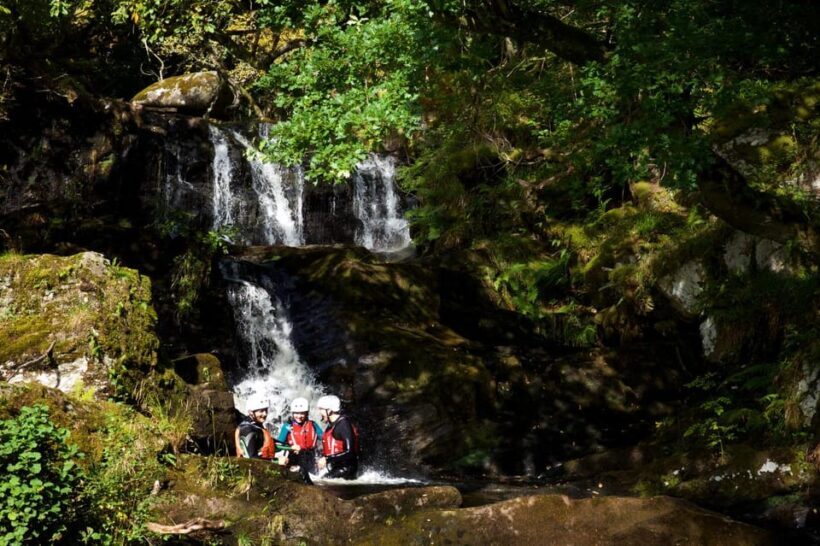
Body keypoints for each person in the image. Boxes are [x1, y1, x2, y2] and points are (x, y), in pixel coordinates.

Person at [275, 397, 322, 484]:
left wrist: (323, 458)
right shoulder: (287, 427)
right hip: (294, 457)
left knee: (315, 479)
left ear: (307, 413)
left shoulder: (313, 425)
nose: (299, 416)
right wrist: (290, 447)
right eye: (296, 413)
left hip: (310, 456)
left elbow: (324, 439)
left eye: (302, 413)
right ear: (292, 413)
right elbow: (278, 445)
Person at [316, 395, 359, 480]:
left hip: (346, 469)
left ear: (329, 410)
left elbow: (350, 452)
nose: (319, 412)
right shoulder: (332, 425)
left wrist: (327, 459)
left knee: (321, 482)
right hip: (337, 468)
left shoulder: (343, 425)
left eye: (321, 409)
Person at [234, 393, 276, 459]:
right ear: (251, 412)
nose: (265, 414)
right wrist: (276, 461)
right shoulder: (247, 429)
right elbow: (251, 459)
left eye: (266, 410)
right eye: (261, 411)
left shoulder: (256, 425)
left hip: (264, 462)